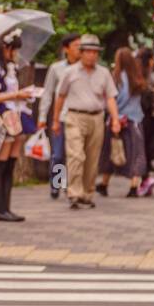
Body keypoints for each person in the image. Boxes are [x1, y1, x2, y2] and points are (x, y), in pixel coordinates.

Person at [51, 33, 122, 209]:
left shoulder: (104, 73)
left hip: (97, 117)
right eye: (88, 52)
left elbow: (110, 98)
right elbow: (59, 96)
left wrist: (115, 119)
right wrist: (54, 120)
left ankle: (87, 192)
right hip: (74, 116)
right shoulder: (67, 72)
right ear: (81, 53)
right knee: (75, 156)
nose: (92, 55)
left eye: (95, 52)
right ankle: (71, 192)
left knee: (92, 158)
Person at [0, 31, 34, 221]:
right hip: (2, 118)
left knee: (10, 164)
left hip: (15, 115)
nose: (16, 53)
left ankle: (6, 209)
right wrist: (16, 96)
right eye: (14, 49)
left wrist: (22, 94)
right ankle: (0, 209)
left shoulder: (9, 67)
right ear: (5, 48)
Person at [99, 48, 149, 197]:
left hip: (116, 120)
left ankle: (104, 184)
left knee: (111, 151)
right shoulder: (137, 78)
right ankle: (134, 185)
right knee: (135, 153)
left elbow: (109, 99)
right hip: (134, 119)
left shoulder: (115, 78)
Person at [37, 33, 80, 199]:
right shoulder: (56, 68)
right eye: (76, 45)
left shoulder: (85, 68)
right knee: (58, 153)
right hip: (61, 117)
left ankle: (73, 185)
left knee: (76, 154)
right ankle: (57, 184)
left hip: (79, 116)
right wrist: (42, 118)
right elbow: (48, 94)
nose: (80, 49)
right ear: (66, 48)